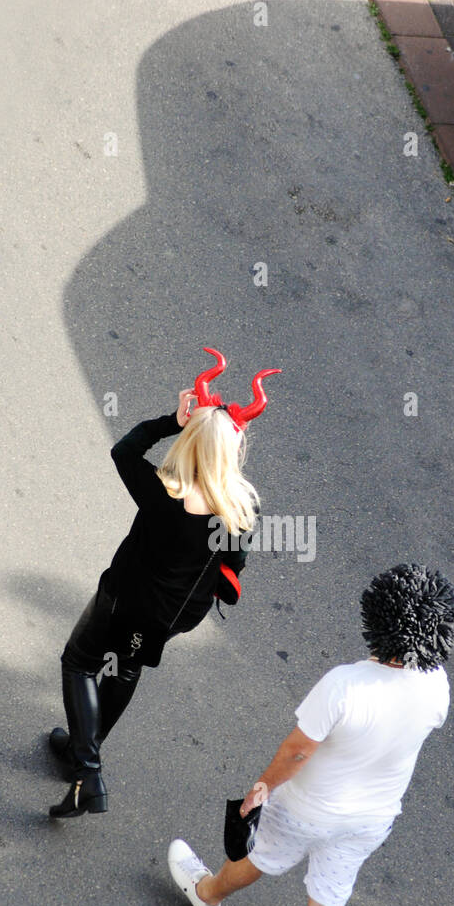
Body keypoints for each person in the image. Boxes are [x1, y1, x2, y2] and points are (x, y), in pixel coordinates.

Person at [167, 563, 454, 906]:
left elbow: (298, 751)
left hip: (309, 808)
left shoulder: (345, 684)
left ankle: (205, 893)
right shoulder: (437, 684)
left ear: (378, 620)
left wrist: (261, 788)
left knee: (261, 855)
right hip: (371, 818)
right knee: (329, 900)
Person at [47, 349, 279, 817]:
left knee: (81, 661)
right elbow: (236, 563)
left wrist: (172, 420)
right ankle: (78, 749)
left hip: (123, 598)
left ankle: (87, 770)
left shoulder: (162, 491)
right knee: (124, 669)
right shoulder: (238, 510)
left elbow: (124, 450)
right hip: (174, 616)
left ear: (192, 441)